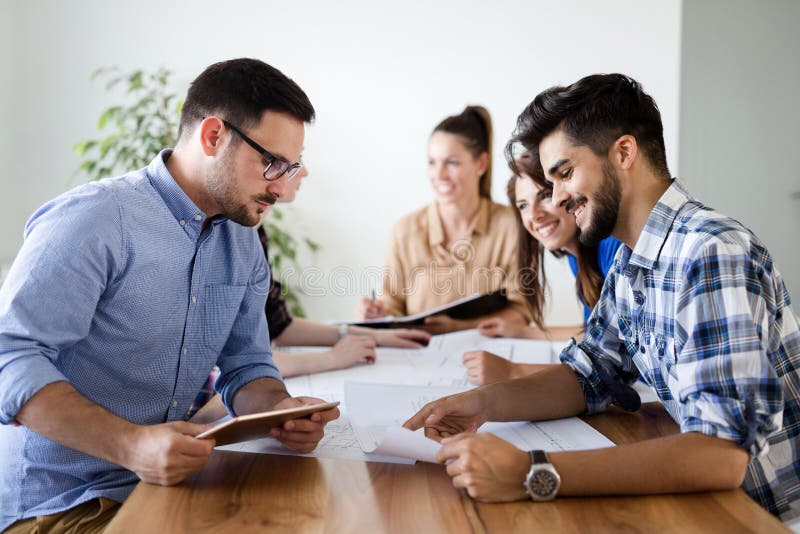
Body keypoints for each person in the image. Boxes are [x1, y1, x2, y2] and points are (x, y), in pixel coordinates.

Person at [404, 73, 800, 522]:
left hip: (766, 515)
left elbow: (721, 455)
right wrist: (481, 403)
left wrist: (530, 472)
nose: (557, 199)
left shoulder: (710, 252)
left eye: (565, 174)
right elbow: (589, 375)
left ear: (624, 153)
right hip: (708, 505)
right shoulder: (632, 260)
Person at [0, 58, 340, 532]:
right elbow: (10, 355)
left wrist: (279, 410)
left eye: (292, 167)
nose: (281, 188)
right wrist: (131, 446)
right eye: (271, 163)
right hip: (63, 503)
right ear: (213, 136)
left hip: (168, 484)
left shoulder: (242, 242)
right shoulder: (95, 219)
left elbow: (247, 367)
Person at [355, 106, 530, 333]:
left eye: (451, 163)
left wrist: (461, 327)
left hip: (490, 355)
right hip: (418, 358)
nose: (439, 175)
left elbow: (522, 312)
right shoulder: (405, 230)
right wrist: (376, 314)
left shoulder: (511, 226)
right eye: (432, 162)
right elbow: (392, 304)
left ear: (481, 164)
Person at [463, 153, 622, 385]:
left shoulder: (612, 246)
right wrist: (521, 331)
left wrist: (513, 372)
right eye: (523, 206)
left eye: (545, 196)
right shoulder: (577, 257)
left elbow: (614, 360)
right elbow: (593, 334)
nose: (534, 215)